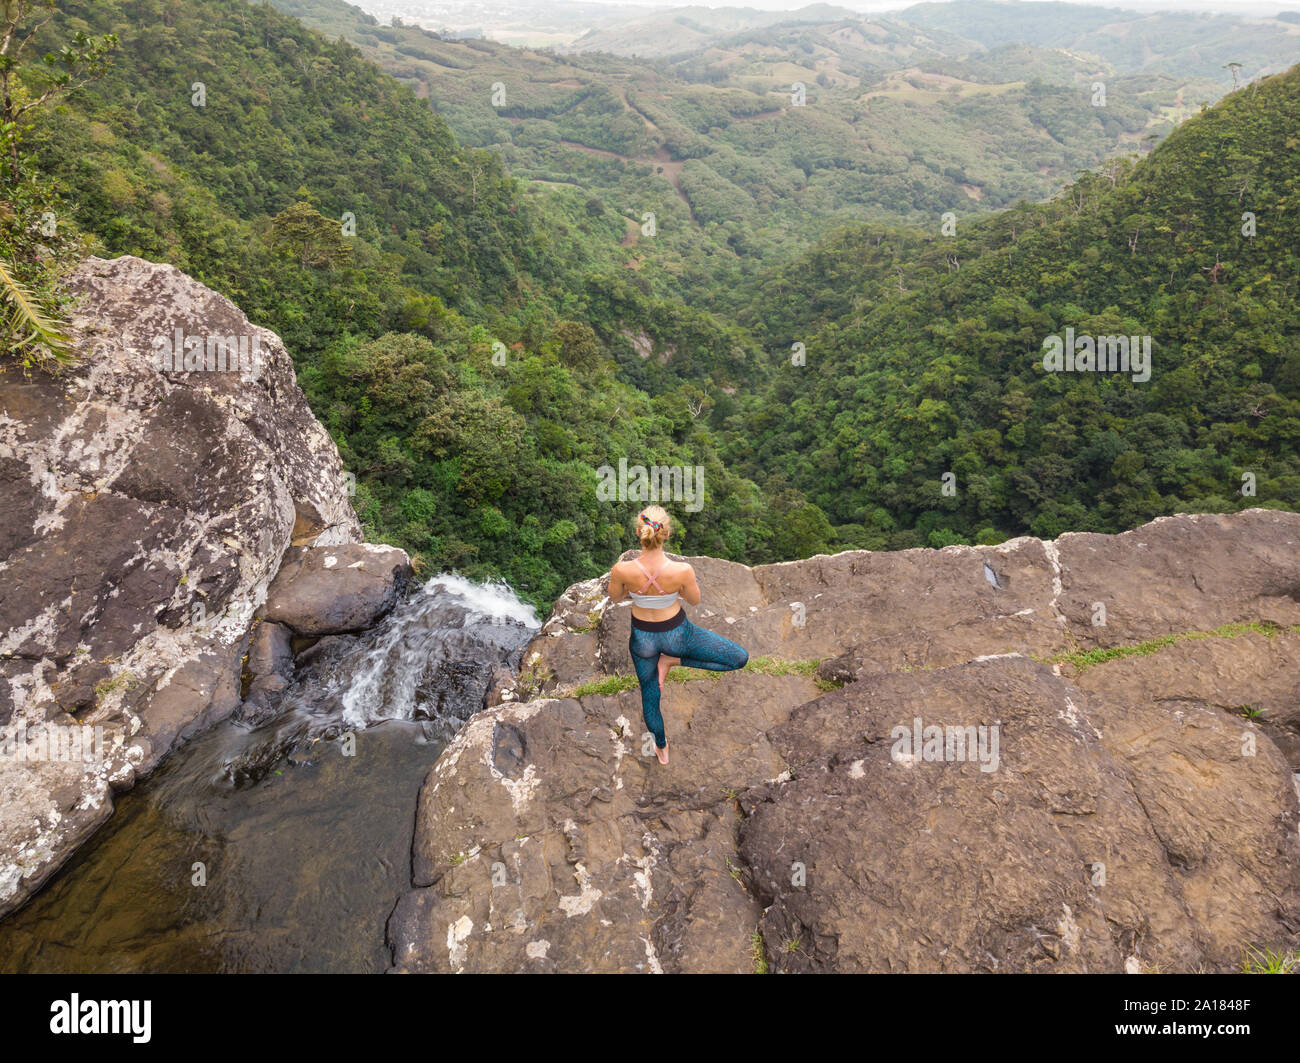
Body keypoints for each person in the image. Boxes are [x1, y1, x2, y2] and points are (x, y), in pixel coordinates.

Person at [607, 505, 748, 765]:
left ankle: (661, 748)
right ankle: (673, 660)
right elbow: (694, 600)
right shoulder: (682, 571)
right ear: (667, 535)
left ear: (639, 534)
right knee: (739, 658)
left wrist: (637, 593)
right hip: (678, 635)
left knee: (650, 695)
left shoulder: (622, 570)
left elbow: (615, 597)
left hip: (642, 640)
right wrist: (672, 592)